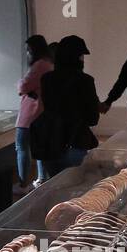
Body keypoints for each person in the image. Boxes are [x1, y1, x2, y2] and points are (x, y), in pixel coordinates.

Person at [32, 34, 100, 176]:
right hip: (75, 140)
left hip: (50, 141)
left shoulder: (47, 79)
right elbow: (93, 117)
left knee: (54, 187)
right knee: (72, 189)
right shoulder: (85, 80)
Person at [14, 35, 54, 190]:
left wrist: (20, 85)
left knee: (22, 147)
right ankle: (42, 179)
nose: (28, 53)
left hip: (29, 114)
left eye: (29, 49)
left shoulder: (39, 65)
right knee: (40, 148)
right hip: (41, 113)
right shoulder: (48, 63)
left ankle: (23, 183)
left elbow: (23, 86)